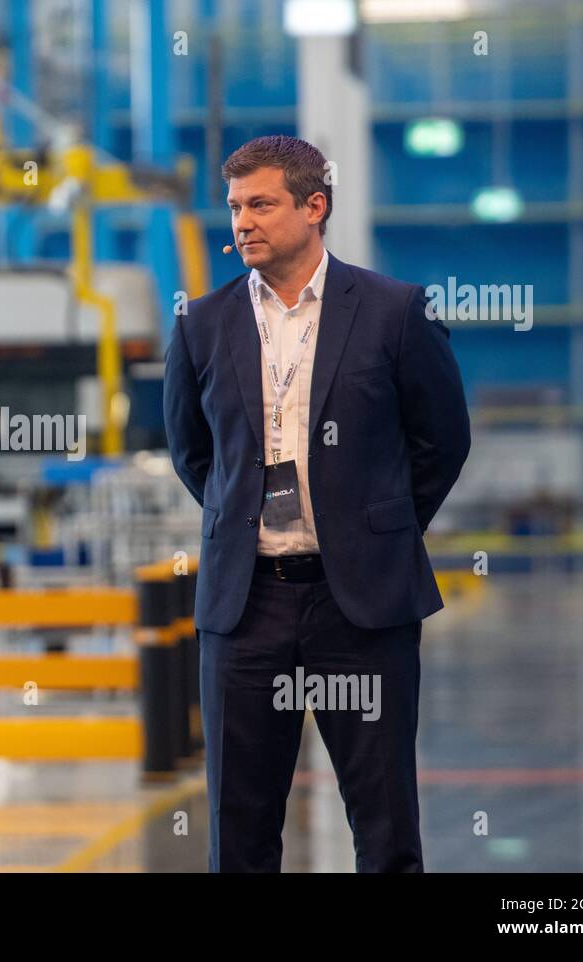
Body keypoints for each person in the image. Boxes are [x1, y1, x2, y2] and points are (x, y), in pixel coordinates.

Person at [163, 135, 469, 872]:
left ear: (315, 206)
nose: (243, 223)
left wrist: (374, 531)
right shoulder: (200, 326)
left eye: (262, 204)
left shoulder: (396, 312)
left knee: (386, 825)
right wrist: (242, 527)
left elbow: (442, 441)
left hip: (358, 603)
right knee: (239, 833)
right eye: (235, 207)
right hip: (246, 607)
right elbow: (193, 454)